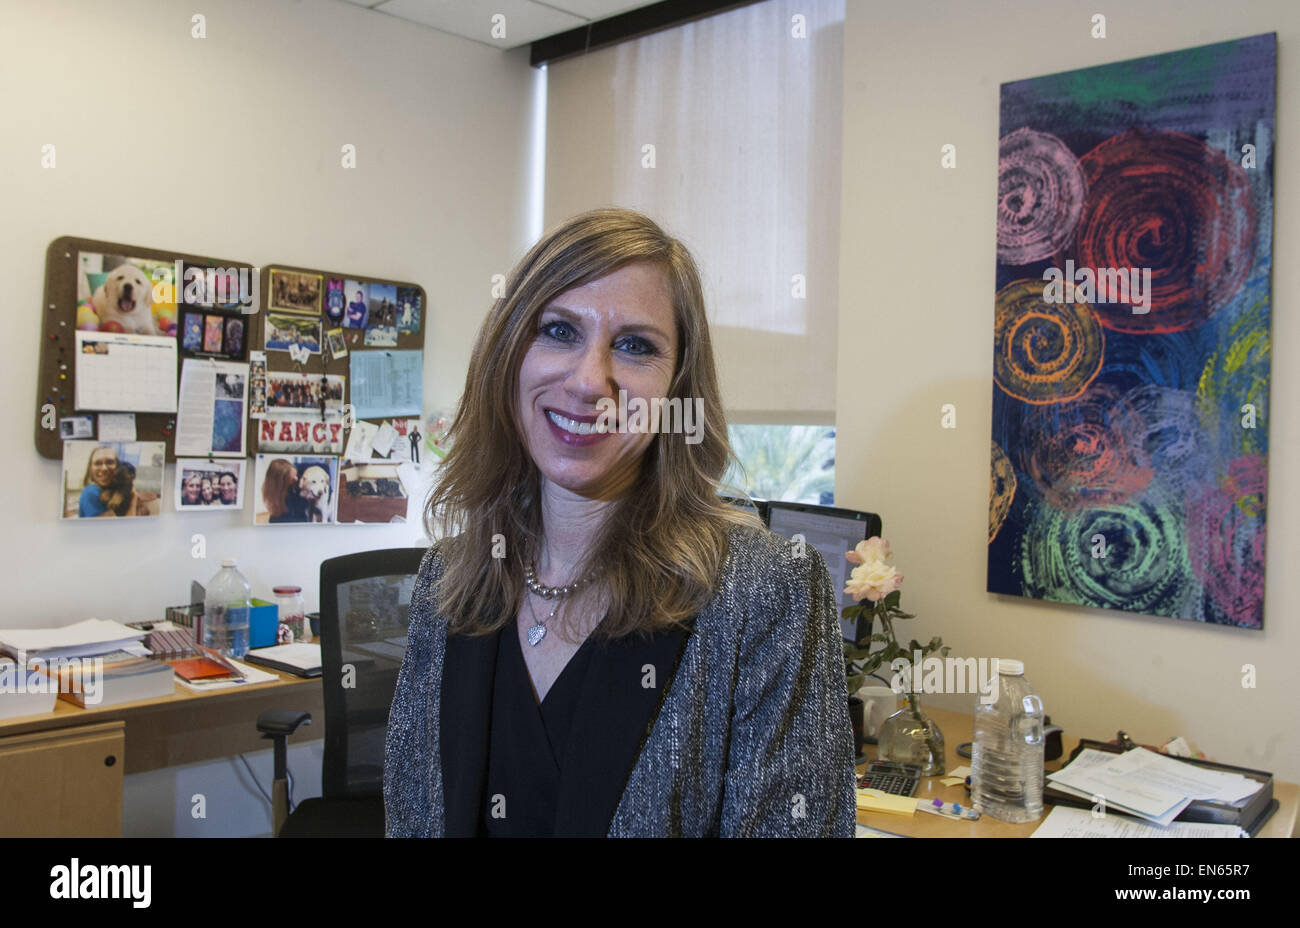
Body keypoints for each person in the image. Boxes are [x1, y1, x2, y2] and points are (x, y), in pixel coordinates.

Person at [384, 208, 855, 838]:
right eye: (558, 330)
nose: (588, 381)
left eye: (635, 346)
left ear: (678, 390)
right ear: (509, 356)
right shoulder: (448, 582)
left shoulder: (763, 590)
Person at [261, 458, 299, 523]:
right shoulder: (279, 499)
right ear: (282, 482)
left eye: (296, 475)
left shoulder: (294, 481)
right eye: (292, 479)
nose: (297, 478)